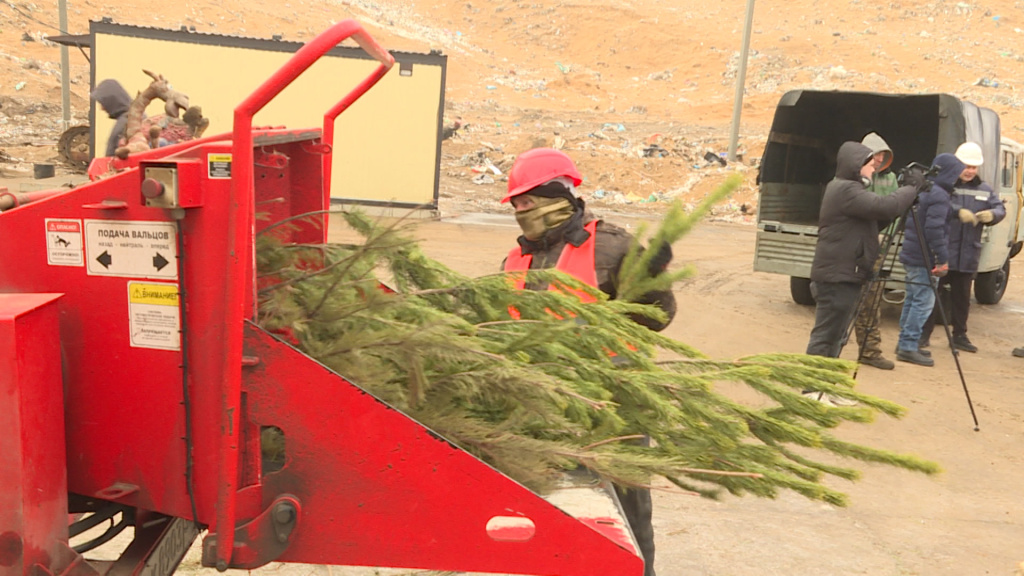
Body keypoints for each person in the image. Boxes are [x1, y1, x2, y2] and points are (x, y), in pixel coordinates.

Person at [500, 147, 676, 576]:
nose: (521, 211)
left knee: (629, 514)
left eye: (527, 201)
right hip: (542, 408)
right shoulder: (515, 258)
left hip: (614, 406)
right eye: (517, 205)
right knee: (551, 512)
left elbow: (659, 316)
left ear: (556, 194)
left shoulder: (611, 245)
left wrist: (648, 285)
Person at [804, 141, 918, 404]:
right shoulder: (846, 190)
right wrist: (911, 189)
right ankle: (811, 390)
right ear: (856, 166)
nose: (873, 168)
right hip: (836, 277)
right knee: (826, 337)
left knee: (837, 337)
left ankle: (826, 388)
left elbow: (880, 217)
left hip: (845, 275)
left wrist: (906, 197)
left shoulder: (849, 191)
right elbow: (883, 207)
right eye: (869, 164)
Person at [919, 142, 1005, 353]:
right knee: (933, 296)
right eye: (966, 166)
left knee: (962, 298)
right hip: (944, 253)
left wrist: (992, 215)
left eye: (974, 167)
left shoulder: (984, 190)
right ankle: (923, 335)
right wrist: (957, 211)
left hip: (967, 254)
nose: (970, 171)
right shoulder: (945, 187)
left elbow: (999, 208)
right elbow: (934, 204)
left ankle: (960, 336)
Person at [895, 152, 966, 366]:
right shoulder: (940, 195)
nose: (958, 178)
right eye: (956, 174)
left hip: (912, 254)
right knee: (923, 302)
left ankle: (906, 342)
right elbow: (934, 229)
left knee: (912, 298)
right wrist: (942, 259)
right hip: (923, 257)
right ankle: (908, 346)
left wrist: (955, 211)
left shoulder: (925, 190)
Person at [852, 133, 901, 370]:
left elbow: (895, 209)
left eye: (883, 155)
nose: (879, 160)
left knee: (871, 299)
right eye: (875, 155)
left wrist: (886, 233)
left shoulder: (890, 179)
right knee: (844, 301)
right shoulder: (849, 181)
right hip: (854, 246)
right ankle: (827, 351)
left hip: (879, 243)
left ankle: (870, 350)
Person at [90, 79, 131, 158]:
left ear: (112, 101)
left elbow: (109, 159)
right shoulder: (135, 117)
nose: (102, 108)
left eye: (104, 103)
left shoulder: (124, 123)